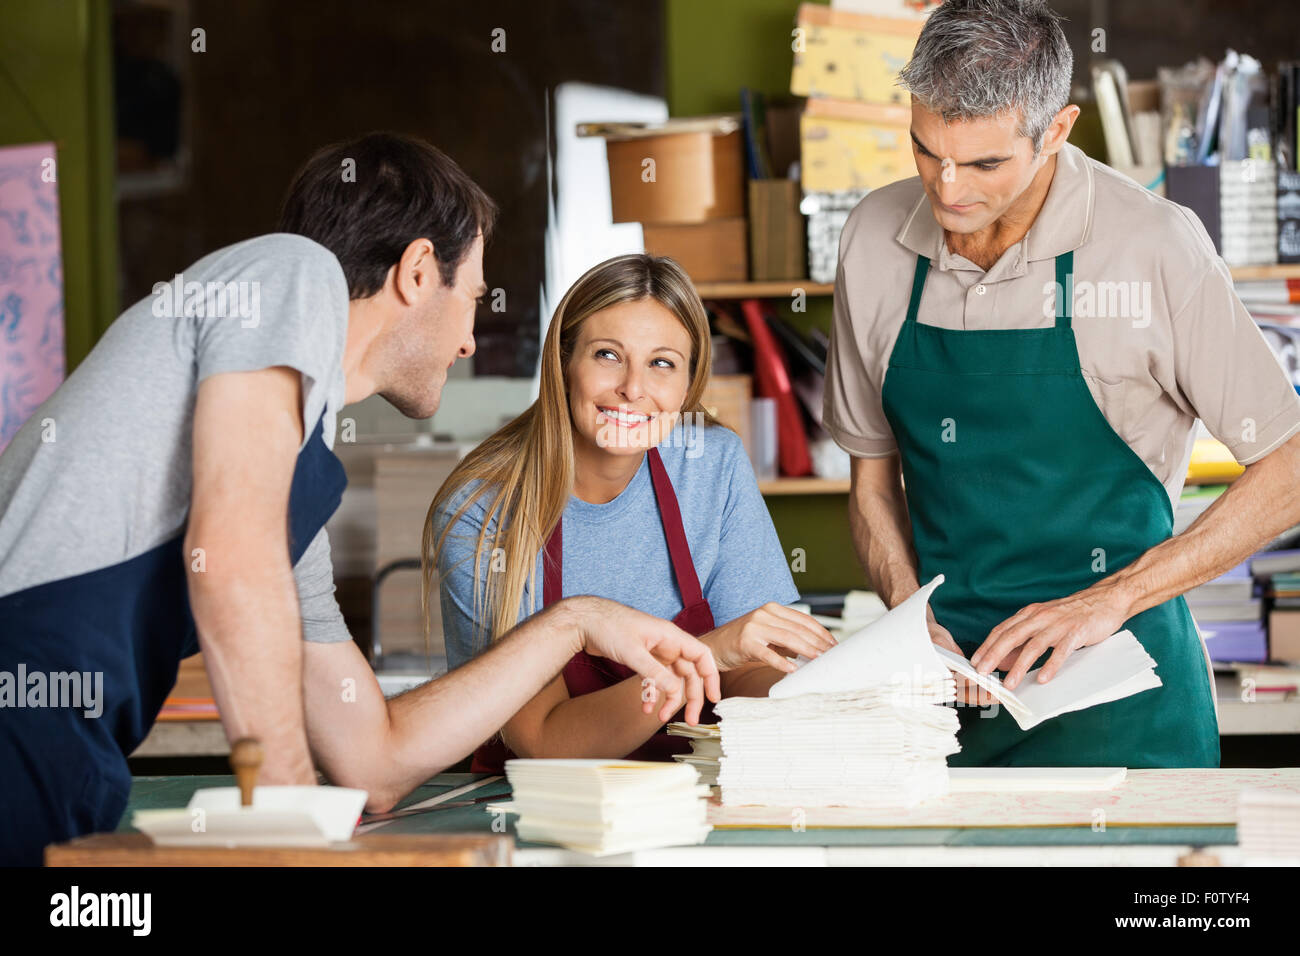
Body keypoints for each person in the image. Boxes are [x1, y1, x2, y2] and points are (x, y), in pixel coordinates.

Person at [0, 133, 720, 866]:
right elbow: (231, 561)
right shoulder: (293, 272)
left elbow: (373, 762)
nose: (470, 341)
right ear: (415, 271)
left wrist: (576, 623)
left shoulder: (285, 486)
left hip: (63, 743)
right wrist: (286, 822)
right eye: (471, 296)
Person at [824, 0, 1300, 767]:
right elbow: (873, 480)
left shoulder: (1154, 245)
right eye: (926, 151)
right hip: (946, 709)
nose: (947, 192)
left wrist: (1104, 602)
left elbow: (1290, 467)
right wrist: (907, 620)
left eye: (985, 164)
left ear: (1056, 129)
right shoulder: (872, 241)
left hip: (1126, 706)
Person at [427, 254, 835, 769]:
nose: (633, 389)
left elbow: (747, 670)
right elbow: (545, 741)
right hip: (541, 815)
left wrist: (815, 708)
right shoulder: (483, 509)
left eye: (662, 363)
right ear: (562, 364)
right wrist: (707, 652)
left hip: (691, 800)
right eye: (607, 355)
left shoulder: (711, 465)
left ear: (688, 385)